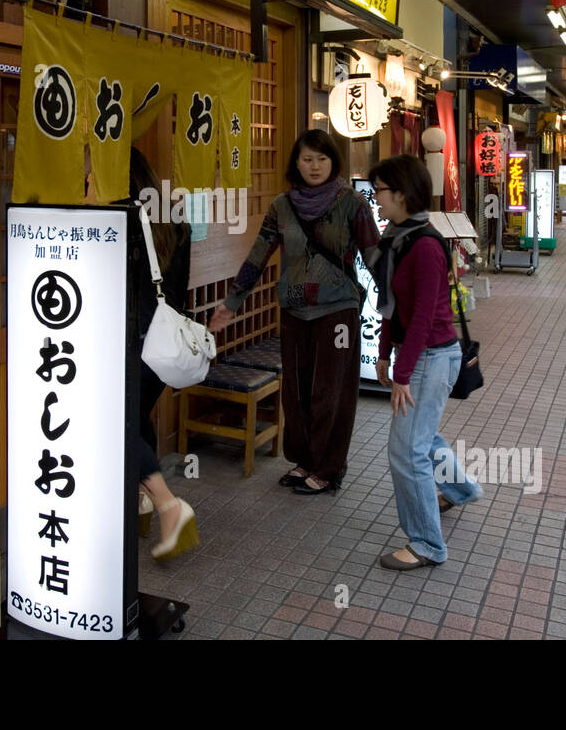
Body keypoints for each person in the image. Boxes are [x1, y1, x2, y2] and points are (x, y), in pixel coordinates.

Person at [208, 130, 381, 494]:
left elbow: (374, 255)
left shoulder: (352, 203)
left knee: (330, 391)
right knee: (297, 392)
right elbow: (259, 254)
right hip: (294, 310)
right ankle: (305, 460)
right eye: (307, 159)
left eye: (321, 158)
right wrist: (231, 303)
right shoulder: (281, 205)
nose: (314, 166)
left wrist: (398, 302)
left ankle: (329, 469)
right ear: (296, 163)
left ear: (333, 162)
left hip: (338, 310)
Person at [368, 155, 482, 571]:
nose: (375, 198)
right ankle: (460, 490)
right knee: (423, 437)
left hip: (432, 358)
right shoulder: (398, 237)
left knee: (406, 451)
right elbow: (392, 307)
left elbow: (422, 320)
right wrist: (384, 352)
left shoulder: (427, 244)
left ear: (400, 193)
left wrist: (401, 374)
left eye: (379, 190)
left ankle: (427, 545)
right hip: (419, 355)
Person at [125, 147, 198, 561]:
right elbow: (178, 292)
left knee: (119, 422)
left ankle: (168, 504)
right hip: (164, 350)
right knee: (135, 418)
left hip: (131, 345)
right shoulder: (173, 217)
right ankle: (141, 505)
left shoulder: (120, 220)